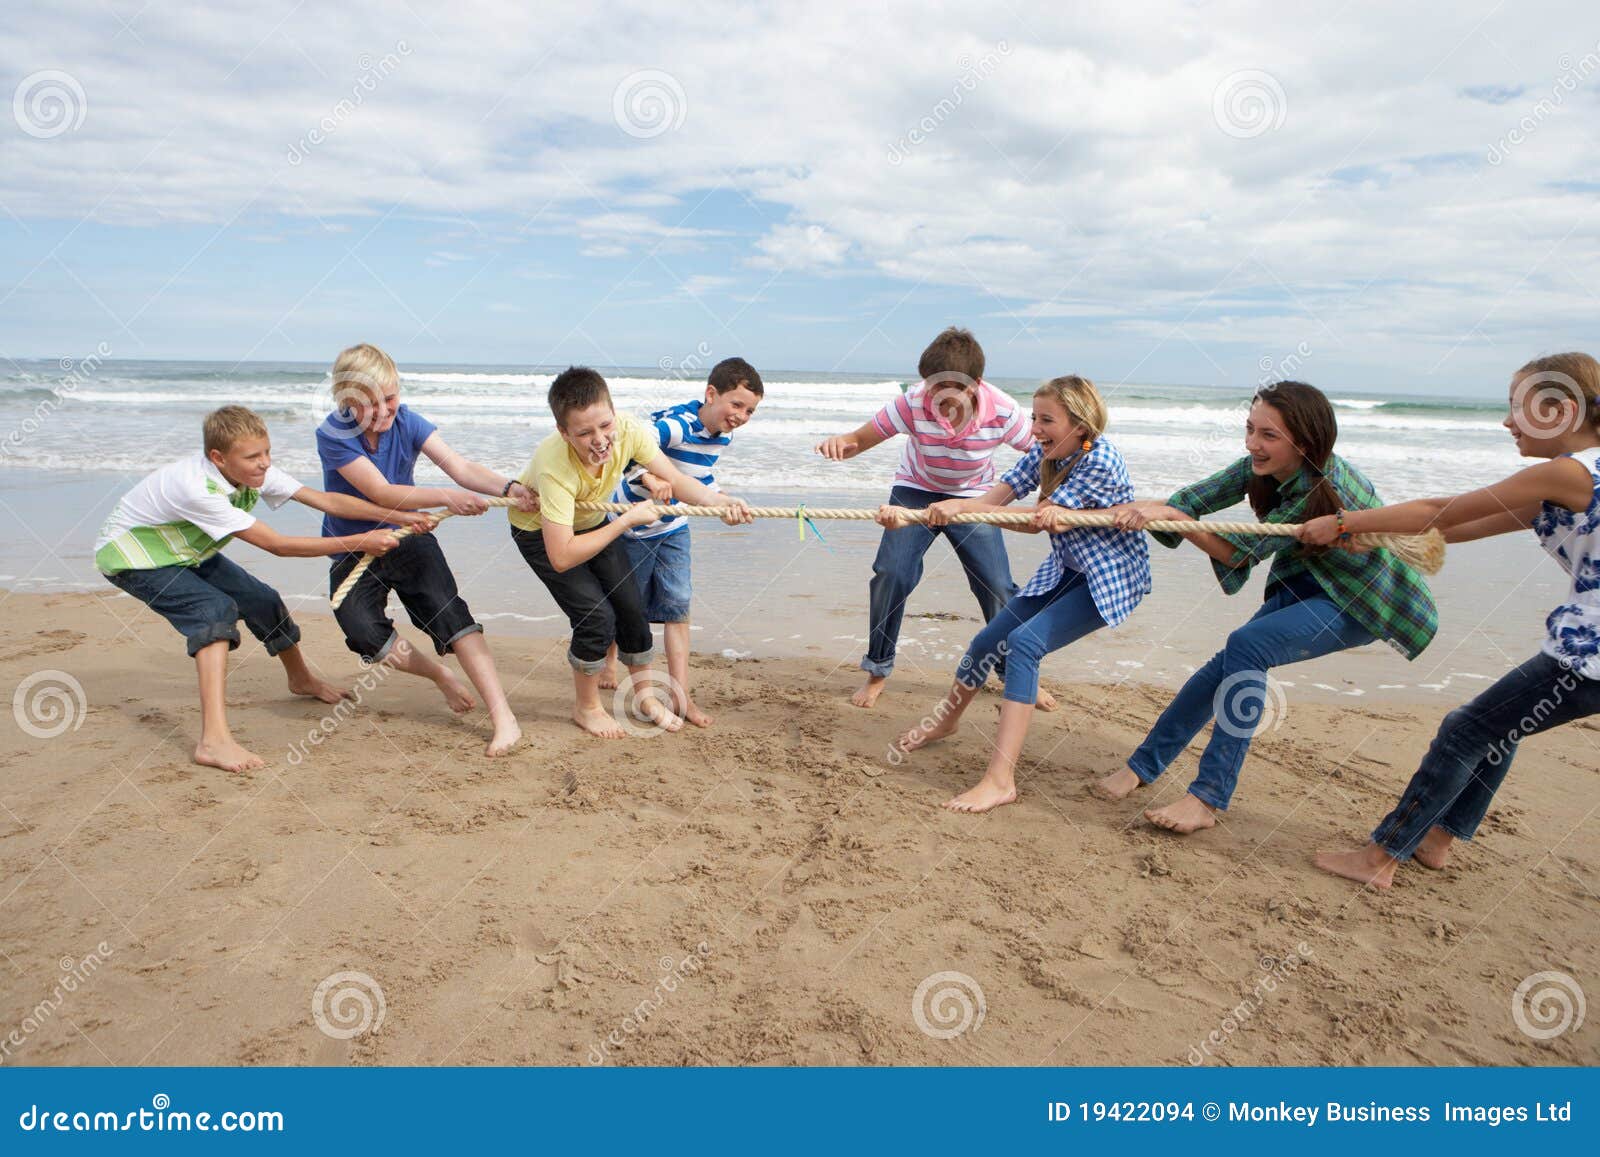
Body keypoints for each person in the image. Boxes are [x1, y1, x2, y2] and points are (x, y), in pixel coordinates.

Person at [1303, 353, 1600, 887]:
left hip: (1589, 653)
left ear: (1561, 410)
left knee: (1464, 731)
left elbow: (1439, 510)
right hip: (1589, 650)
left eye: (1518, 407)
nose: (1507, 421)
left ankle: (1382, 857)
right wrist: (1374, 532)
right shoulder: (1573, 481)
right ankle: (1438, 840)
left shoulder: (1567, 472)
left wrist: (1344, 519)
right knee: (1499, 728)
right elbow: (1465, 527)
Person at [1096, 380, 1438, 833]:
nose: (1253, 444)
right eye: (1250, 429)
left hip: (1363, 600)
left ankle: (1207, 798)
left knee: (1248, 646)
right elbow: (1193, 501)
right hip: (1311, 581)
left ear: (1305, 441)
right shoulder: (1258, 467)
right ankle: (1142, 767)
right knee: (1224, 666)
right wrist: (1148, 508)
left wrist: (1177, 519)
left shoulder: (1322, 489)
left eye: (1269, 436)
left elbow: (1236, 553)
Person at [96, 404, 433, 772]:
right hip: (134, 558)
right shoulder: (198, 489)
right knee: (213, 612)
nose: (264, 463)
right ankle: (213, 741)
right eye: (253, 456)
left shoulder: (252, 472)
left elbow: (326, 501)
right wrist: (360, 541)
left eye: (267, 452)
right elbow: (277, 545)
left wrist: (401, 517)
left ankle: (301, 679)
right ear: (218, 458)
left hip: (184, 551)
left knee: (263, 600)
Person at [894, 375, 1150, 812]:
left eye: (1046, 419)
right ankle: (946, 724)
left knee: (1024, 645)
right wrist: (935, 511)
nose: (1033, 428)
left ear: (1081, 426)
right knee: (986, 641)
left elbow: (1035, 520)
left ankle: (1000, 780)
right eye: (1033, 417)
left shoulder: (1099, 461)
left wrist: (962, 507)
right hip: (1066, 569)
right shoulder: (1047, 452)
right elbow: (998, 498)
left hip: (1108, 578)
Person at [508, 366, 753, 738]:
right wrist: (625, 522)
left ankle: (646, 697)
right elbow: (562, 557)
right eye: (585, 433)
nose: (601, 441)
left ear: (614, 413)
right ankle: (586, 708)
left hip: (589, 519)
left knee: (630, 607)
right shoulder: (554, 467)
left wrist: (720, 501)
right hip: (540, 532)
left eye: (605, 426)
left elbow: (676, 478)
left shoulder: (630, 431)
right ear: (564, 432)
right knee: (595, 617)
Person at [316, 343, 530, 757]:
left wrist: (510, 488)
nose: (382, 411)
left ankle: (504, 717)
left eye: (390, 398)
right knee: (363, 632)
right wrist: (447, 498)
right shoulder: (332, 434)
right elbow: (380, 490)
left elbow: (461, 467)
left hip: (409, 536)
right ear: (346, 402)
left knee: (451, 614)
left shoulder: (408, 420)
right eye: (368, 404)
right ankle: (439, 674)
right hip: (356, 547)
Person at [816, 327, 1042, 709]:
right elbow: (859, 439)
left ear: (975, 385)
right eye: (931, 387)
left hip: (973, 498)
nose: (935, 397)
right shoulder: (912, 402)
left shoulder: (1003, 411)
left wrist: (1054, 494)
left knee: (997, 586)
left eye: (947, 388)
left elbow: (1044, 454)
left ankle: (1014, 675)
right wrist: (840, 444)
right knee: (892, 573)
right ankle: (878, 669)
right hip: (915, 491)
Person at [597, 357, 764, 726]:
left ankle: (680, 695)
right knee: (625, 606)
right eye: (736, 404)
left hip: (673, 526)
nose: (741, 416)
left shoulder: (724, 435)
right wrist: (649, 477)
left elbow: (700, 477)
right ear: (711, 394)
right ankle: (610, 660)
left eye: (750, 410)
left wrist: (723, 500)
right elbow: (622, 448)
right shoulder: (674, 426)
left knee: (678, 605)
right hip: (631, 527)